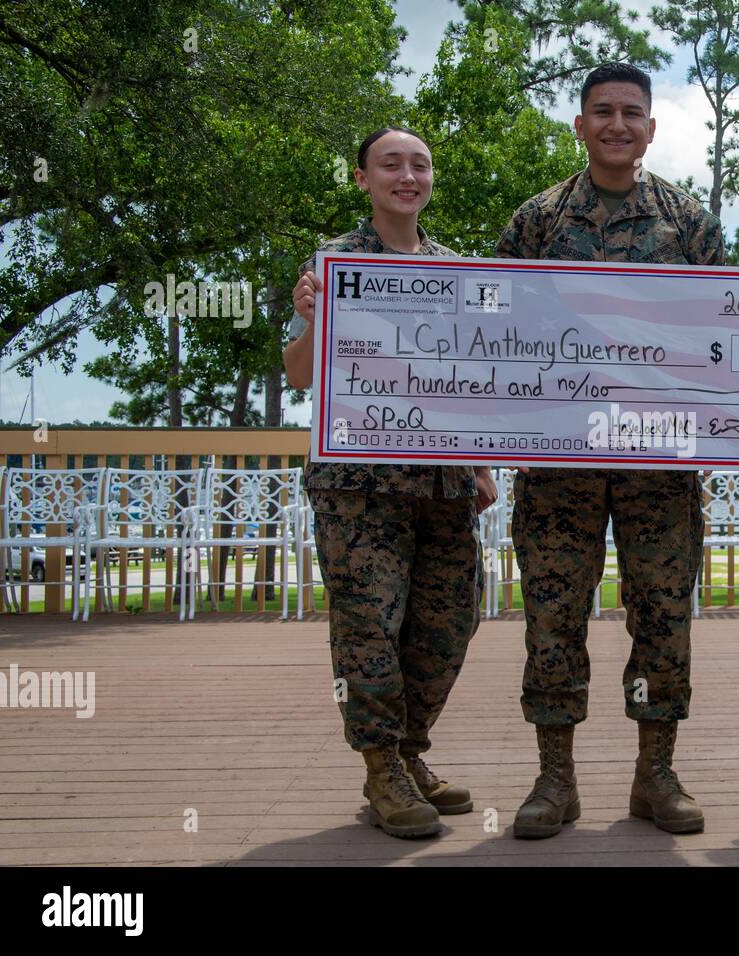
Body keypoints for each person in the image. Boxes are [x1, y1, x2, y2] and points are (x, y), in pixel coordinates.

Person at [493, 63, 725, 839]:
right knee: (554, 615)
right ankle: (555, 780)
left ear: (651, 128)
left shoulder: (689, 223)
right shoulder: (536, 222)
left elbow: (726, 337)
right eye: (603, 112)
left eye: (632, 113)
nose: (617, 124)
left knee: (662, 614)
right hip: (560, 461)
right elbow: (490, 328)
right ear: (581, 125)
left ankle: (654, 774)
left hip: (659, 461)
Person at [285, 127, 497, 839]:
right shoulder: (334, 265)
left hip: (443, 484)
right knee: (369, 627)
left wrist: (479, 459)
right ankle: (381, 769)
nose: (407, 175)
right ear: (362, 178)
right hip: (359, 486)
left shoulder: (455, 269)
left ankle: (411, 755)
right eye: (391, 164)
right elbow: (300, 374)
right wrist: (313, 318)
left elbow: (471, 377)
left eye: (420, 164)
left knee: (448, 623)